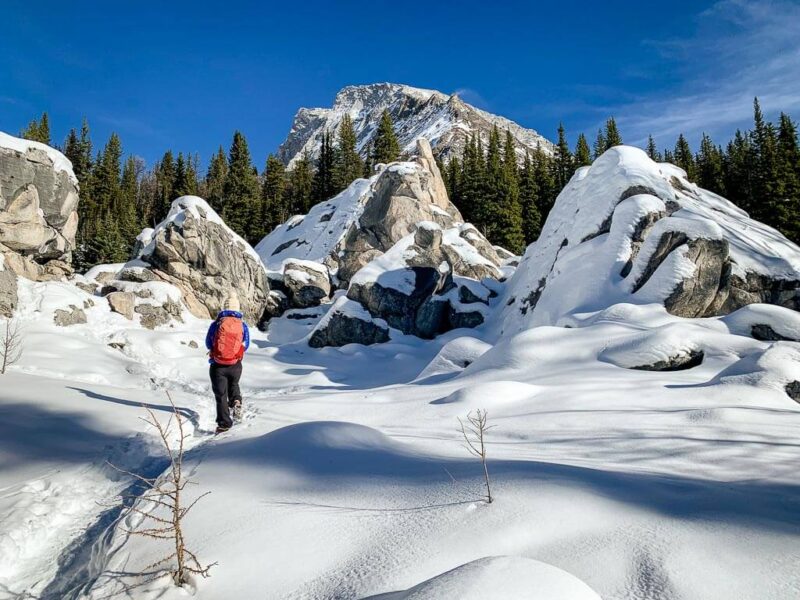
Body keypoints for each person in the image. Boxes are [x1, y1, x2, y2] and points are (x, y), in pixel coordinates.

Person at [205, 293, 250, 434]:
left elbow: (208, 343)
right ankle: (236, 401)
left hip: (218, 365)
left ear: (224, 308)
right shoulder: (242, 325)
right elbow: (246, 344)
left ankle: (224, 424)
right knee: (234, 384)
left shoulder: (217, 324)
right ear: (238, 309)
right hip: (236, 365)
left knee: (221, 395)